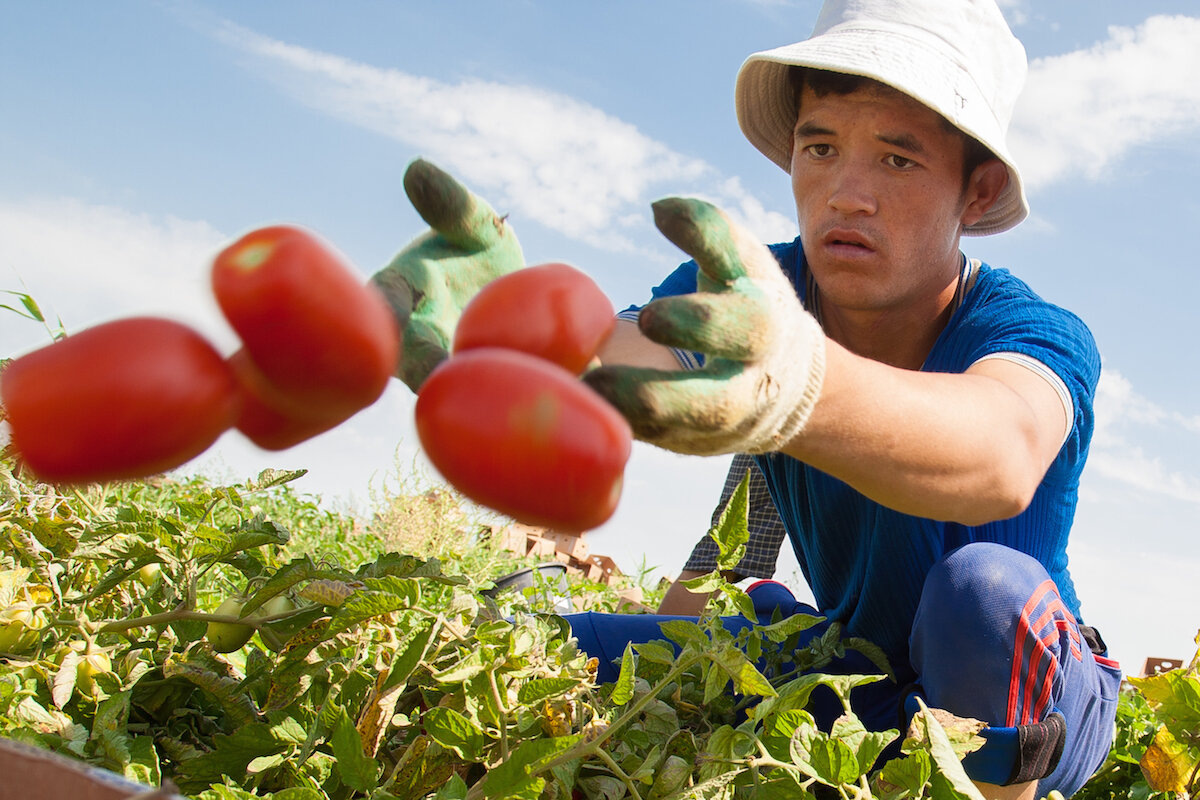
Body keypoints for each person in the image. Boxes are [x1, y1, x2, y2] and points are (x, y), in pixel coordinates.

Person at [372, 1, 1121, 796]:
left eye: (897, 161)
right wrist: (509, 342)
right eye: (820, 147)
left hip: (1028, 691)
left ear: (979, 192)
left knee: (980, 594)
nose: (846, 194)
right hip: (857, 666)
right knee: (553, 644)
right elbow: (625, 356)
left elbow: (998, 453)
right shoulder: (757, 295)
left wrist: (800, 385)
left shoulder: (1029, 330)